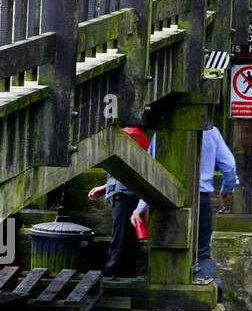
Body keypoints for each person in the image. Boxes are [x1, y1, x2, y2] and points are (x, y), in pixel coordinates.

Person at [131, 109, 237, 291]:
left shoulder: (163, 131)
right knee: (202, 253)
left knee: (163, 249)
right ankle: (211, 290)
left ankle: (162, 294)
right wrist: (227, 188)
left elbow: (150, 169)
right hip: (201, 200)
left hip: (165, 201)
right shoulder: (212, 132)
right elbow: (229, 165)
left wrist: (142, 205)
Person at [86, 127, 153, 278]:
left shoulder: (125, 135)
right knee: (128, 241)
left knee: (120, 240)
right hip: (133, 194)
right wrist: (105, 188)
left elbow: (124, 170)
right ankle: (124, 276)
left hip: (124, 195)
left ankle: (113, 277)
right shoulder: (139, 135)